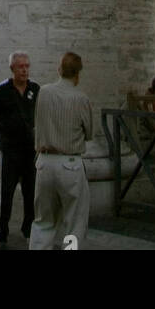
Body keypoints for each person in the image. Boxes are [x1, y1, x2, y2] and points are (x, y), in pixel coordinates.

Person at [29, 50, 93, 251]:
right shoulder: (80, 98)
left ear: (59, 69)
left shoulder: (44, 92)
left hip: (45, 163)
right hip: (70, 165)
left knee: (42, 221)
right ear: (78, 74)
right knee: (74, 223)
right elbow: (89, 132)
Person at [0, 50, 40, 246]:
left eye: (27, 66)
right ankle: (2, 233)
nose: (24, 70)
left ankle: (28, 229)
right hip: (10, 150)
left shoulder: (35, 89)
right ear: (12, 69)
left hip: (30, 151)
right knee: (6, 193)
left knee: (31, 192)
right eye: (20, 67)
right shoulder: (2, 91)